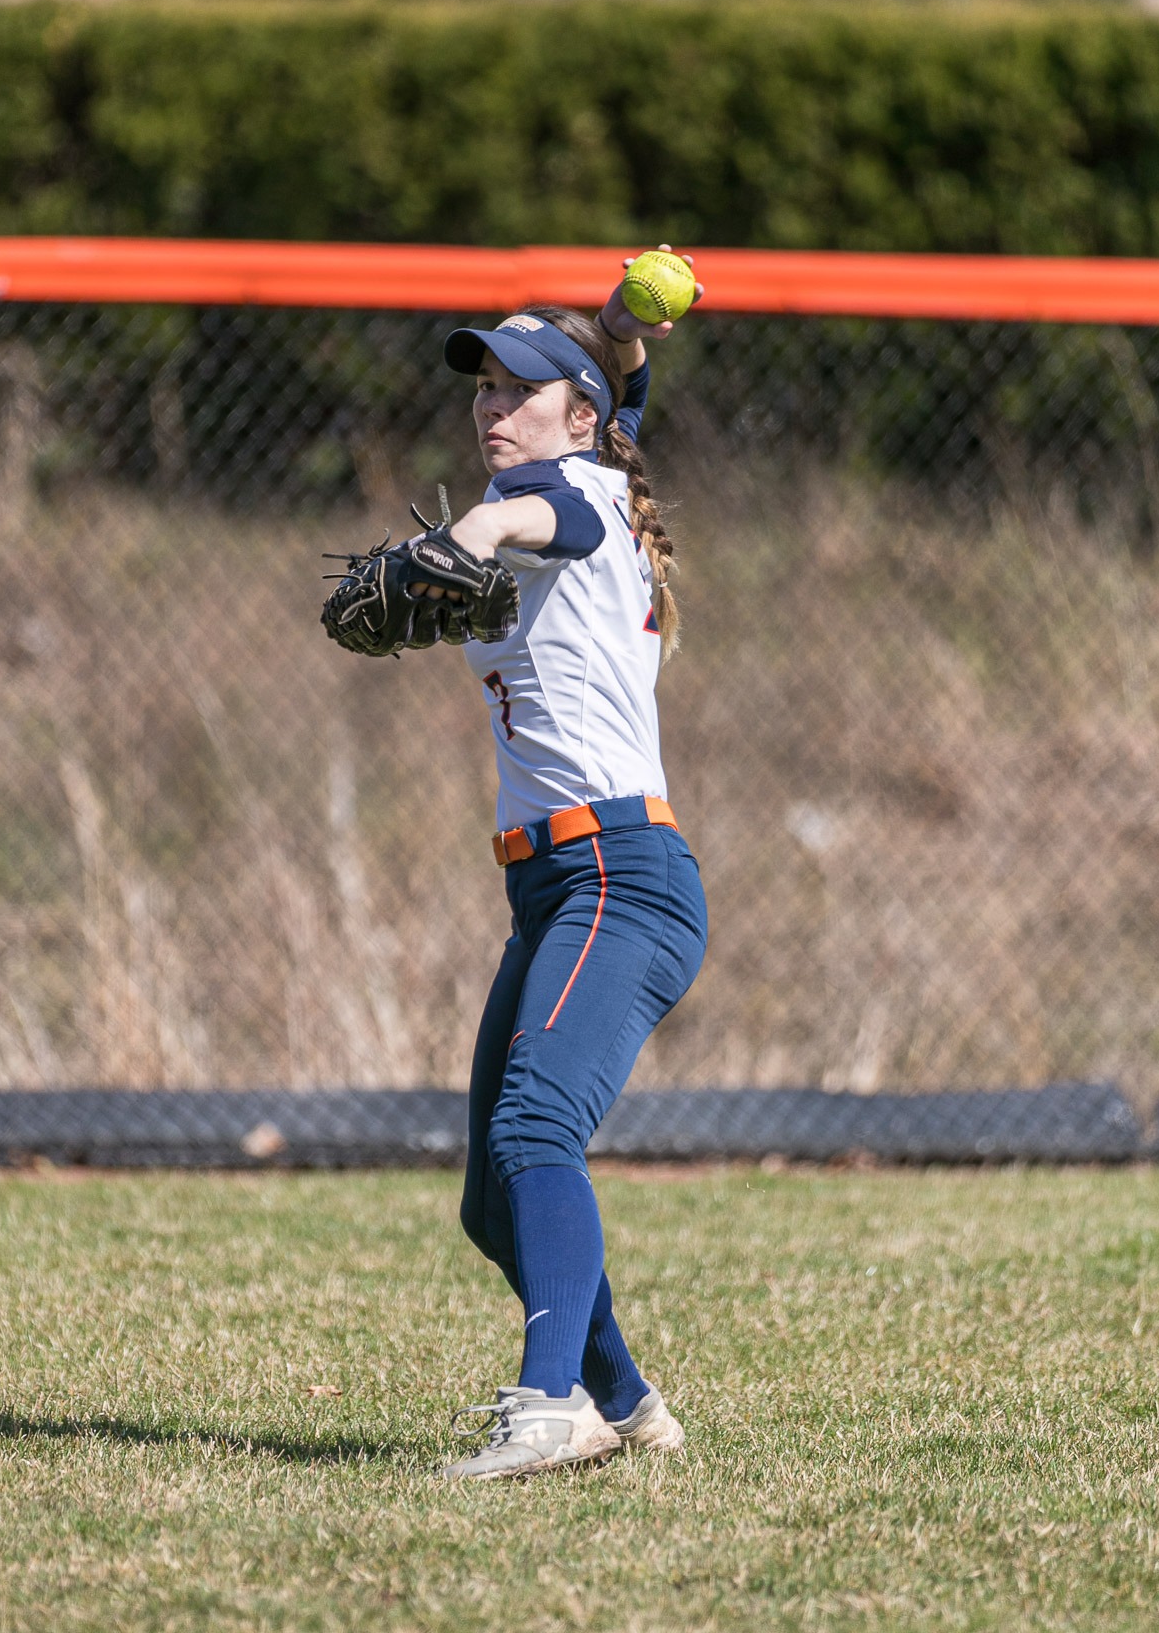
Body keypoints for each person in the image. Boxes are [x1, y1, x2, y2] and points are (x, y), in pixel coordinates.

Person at [430, 252, 709, 1482]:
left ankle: (548, 1405)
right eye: (484, 388)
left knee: (535, 1126)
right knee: (490, 1201)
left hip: (617, 877)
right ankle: (624, 1405)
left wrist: (473, 529)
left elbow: (549, 510)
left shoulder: (570, 496)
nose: (492, 407)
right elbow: (617, 393)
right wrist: (613, 330)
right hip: (551, 888)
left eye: (519, 389)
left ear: (577, 419)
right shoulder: (595, 455)